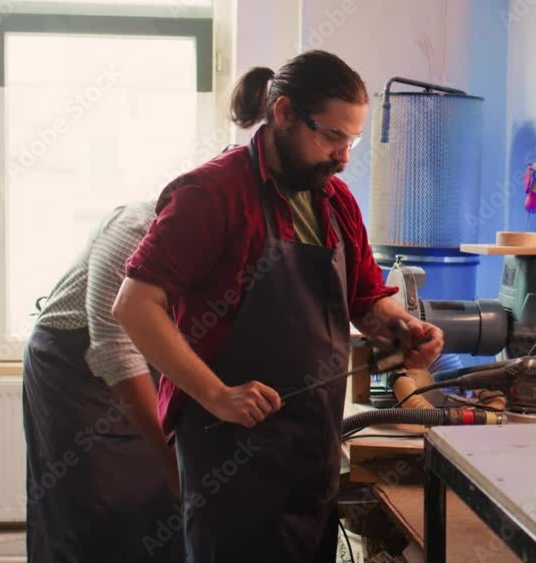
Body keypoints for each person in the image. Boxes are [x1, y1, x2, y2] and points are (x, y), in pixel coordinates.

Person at [111, 50, 445, 562]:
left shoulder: (335, 200)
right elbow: (134, 306)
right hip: (230, 452)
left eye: (351, 139)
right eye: (332, 137)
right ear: (284, 113)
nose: (344, 156)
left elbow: (364, 301)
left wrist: (401, 328)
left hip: (313, 443)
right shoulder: (211, 193)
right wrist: (217, 394)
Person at [22, 200, 182, 562]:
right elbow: (112, 349)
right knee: (91, 505)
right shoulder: (136, 227)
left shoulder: (231, 243)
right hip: (72, 367)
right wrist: (166, 453)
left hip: (142, 362)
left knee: (156, 509)